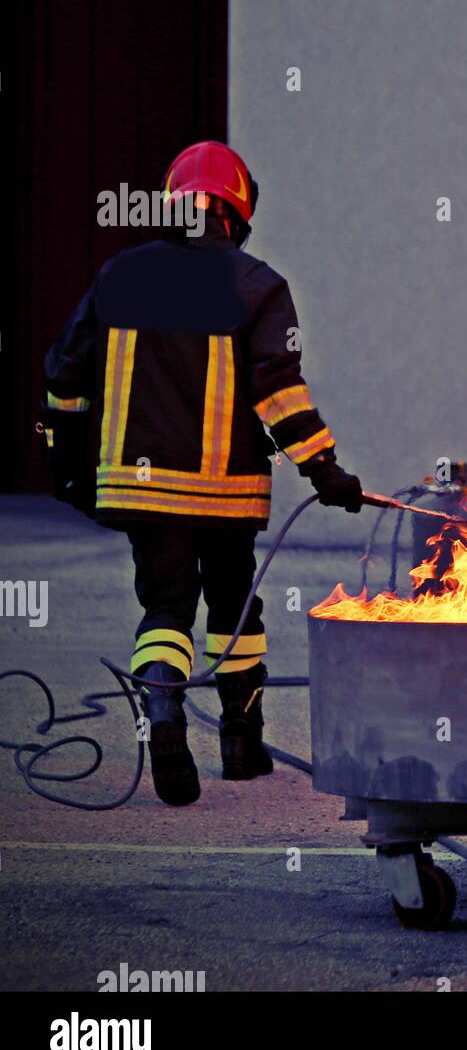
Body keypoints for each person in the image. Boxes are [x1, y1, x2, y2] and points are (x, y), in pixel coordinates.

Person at [41, 141, 363, 806]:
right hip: (227, 492)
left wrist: (68, 462)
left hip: (142, 488)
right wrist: (324, 468)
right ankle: (241, 744)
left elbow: (65, 377)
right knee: (233, 605)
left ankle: (162, 712)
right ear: (236, 209)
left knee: (165, 606)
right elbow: (279, 394)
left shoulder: (121, 276)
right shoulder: (255, 284)